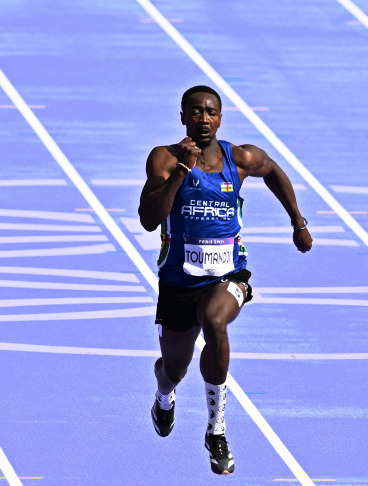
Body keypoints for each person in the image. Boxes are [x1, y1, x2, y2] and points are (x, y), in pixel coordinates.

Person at [138, 85, 311, 475]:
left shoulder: (240, 158)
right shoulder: (164, 159)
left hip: (228, 274)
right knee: (174, 368)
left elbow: (273, 171)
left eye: (211, 112)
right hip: (179, 282)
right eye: (195, 112)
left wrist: (297, 222)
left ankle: (216, 431)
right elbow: (149, 218)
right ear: (182, 117)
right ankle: (164, 395)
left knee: (216, 322)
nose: (203, 118)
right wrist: (182, 170)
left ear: (220, 117)